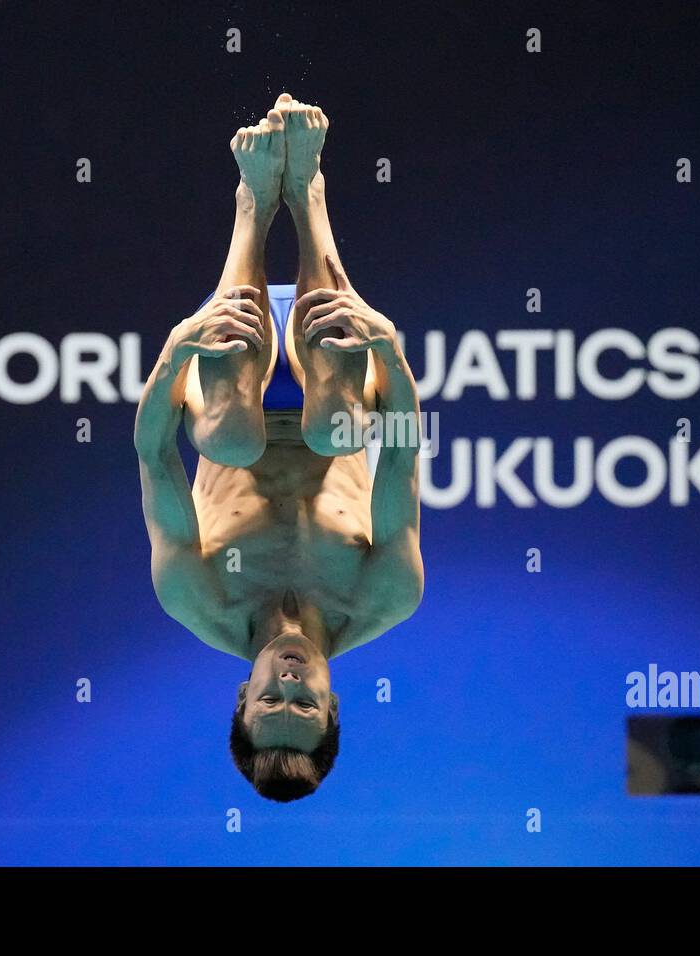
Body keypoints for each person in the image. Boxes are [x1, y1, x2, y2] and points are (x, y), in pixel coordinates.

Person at [133, 94, 424, 801]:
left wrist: (176, 350)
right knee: (340, 429)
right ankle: (308, 193)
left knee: (231, 436)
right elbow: (405, 450)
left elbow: (153, 454)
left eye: (272, 705)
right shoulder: (386, 594)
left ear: (242, 699)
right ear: (333, 706)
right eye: (306, 706)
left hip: (241, 372)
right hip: (334, 371)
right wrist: (388, 343)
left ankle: (253, 203)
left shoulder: (192, 594)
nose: (289, 686)